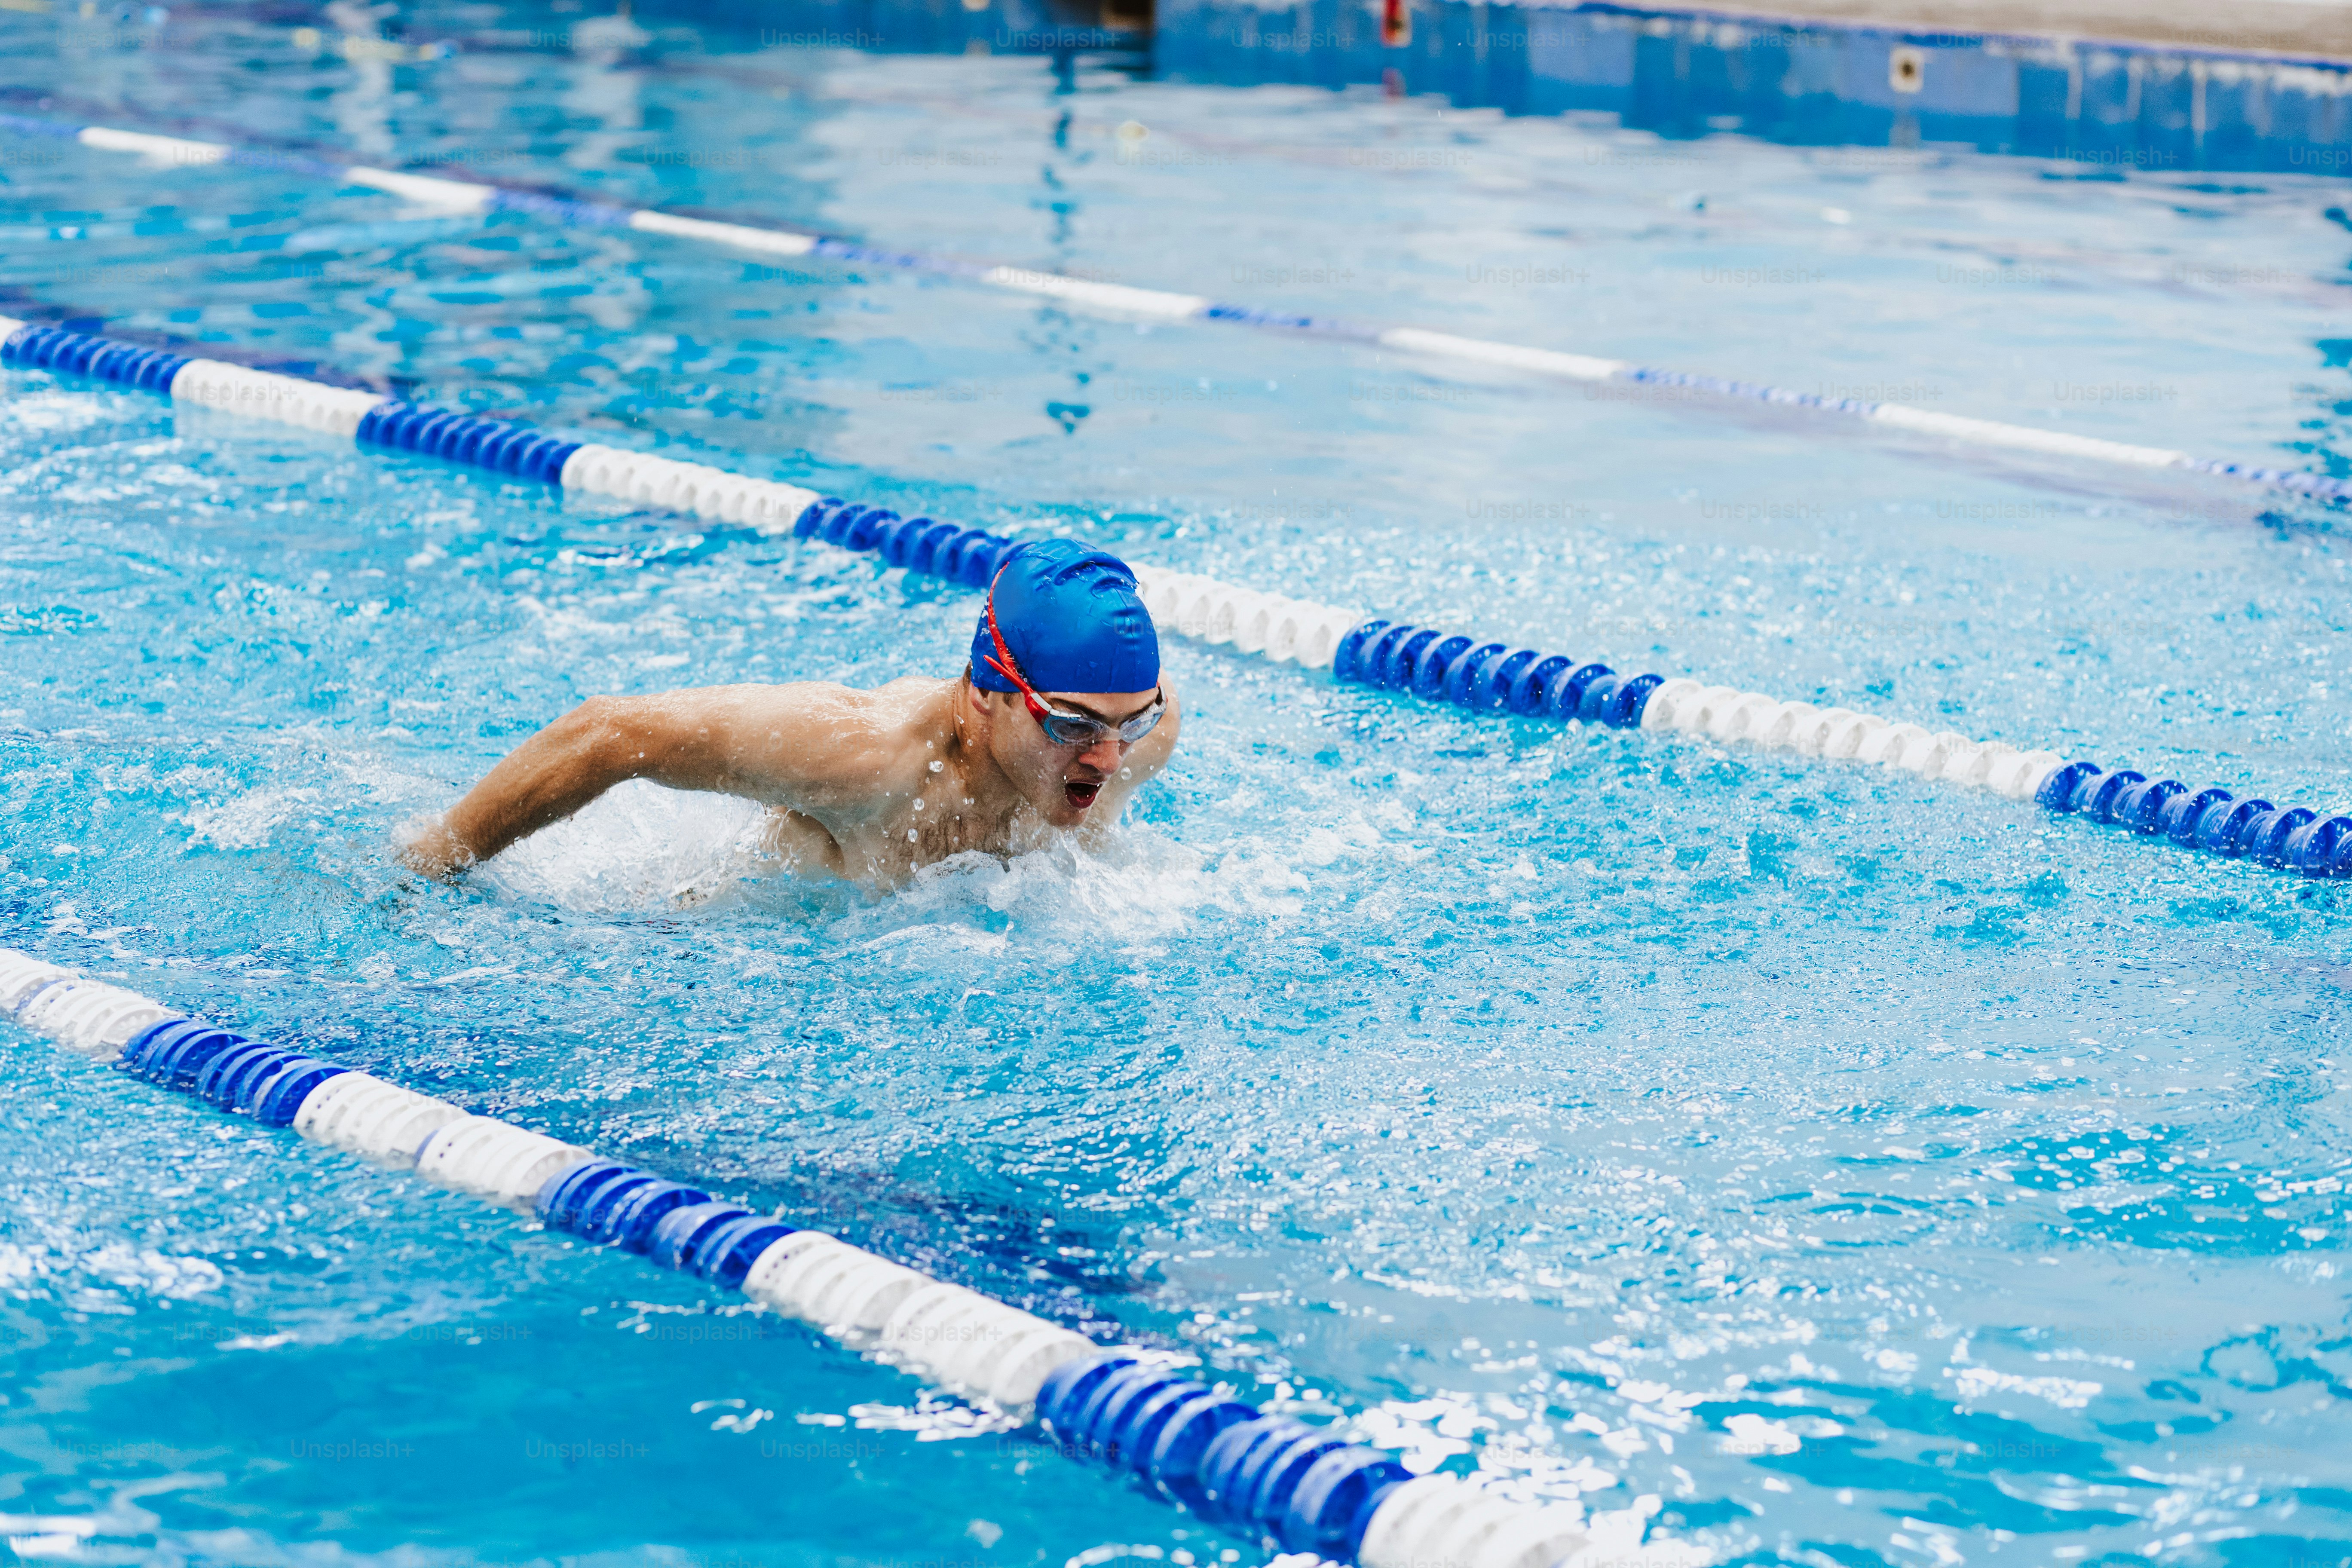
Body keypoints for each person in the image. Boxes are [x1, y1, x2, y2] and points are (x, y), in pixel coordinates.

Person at [396, 540, 1180, 888]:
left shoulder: (1145, 732)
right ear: (987, 689)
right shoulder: (870, 758)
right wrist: (434, 864)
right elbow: (611, 731)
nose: (1107, 760)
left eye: (1129, 723)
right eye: (1073, 725)